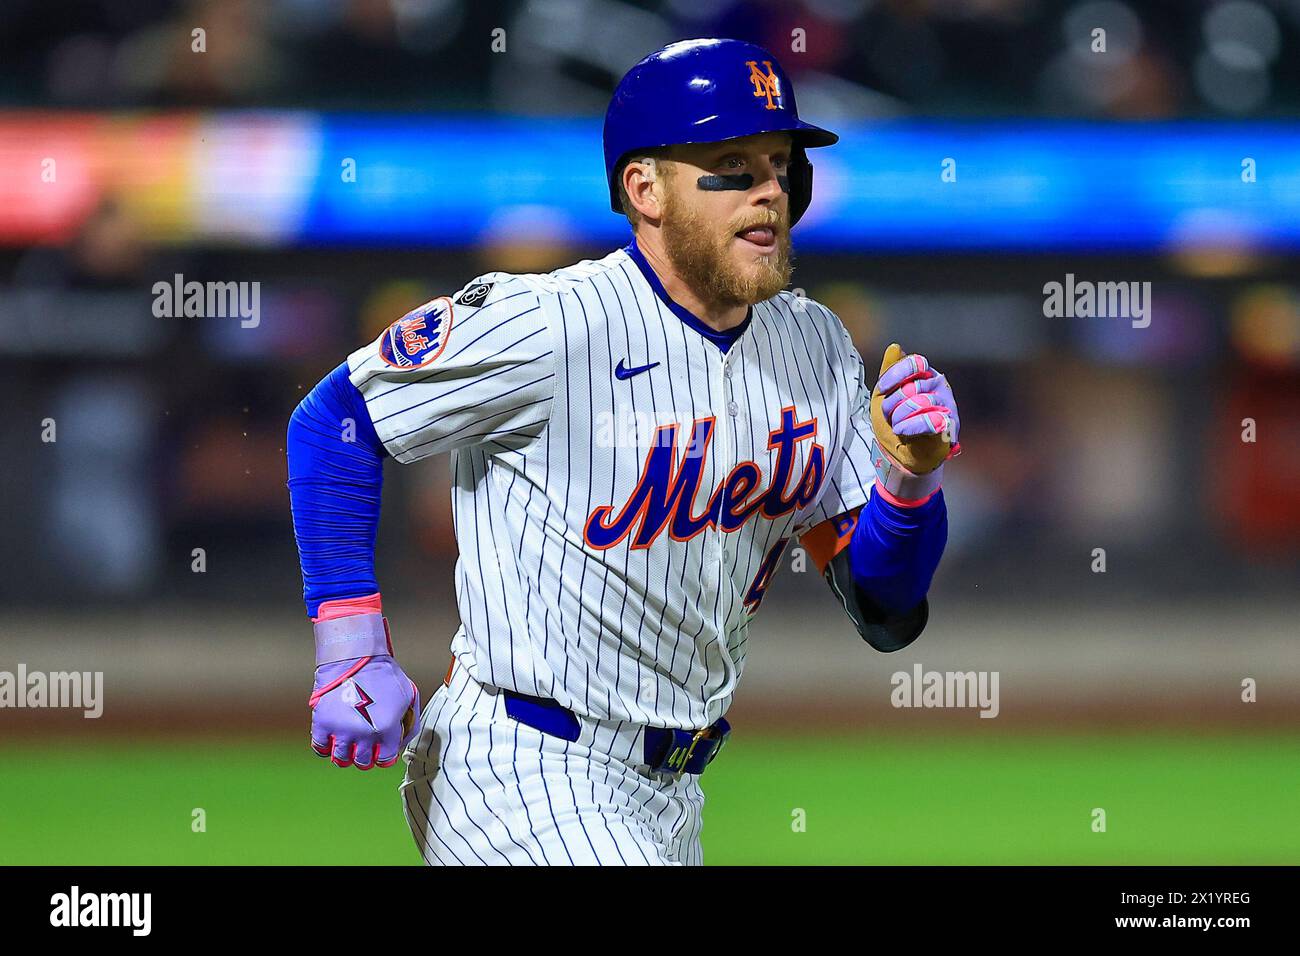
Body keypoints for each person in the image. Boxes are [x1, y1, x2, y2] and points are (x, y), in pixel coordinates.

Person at [286, 37, 961, 866]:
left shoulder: (814, 345)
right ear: (645, 188)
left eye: (783, 167)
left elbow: (883, 606)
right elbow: (335, 421)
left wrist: (911, 479)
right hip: (521, 763)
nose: (771, 193)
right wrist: (350, 642)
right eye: (734, 167)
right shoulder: (551, 322)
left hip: (674, 791)